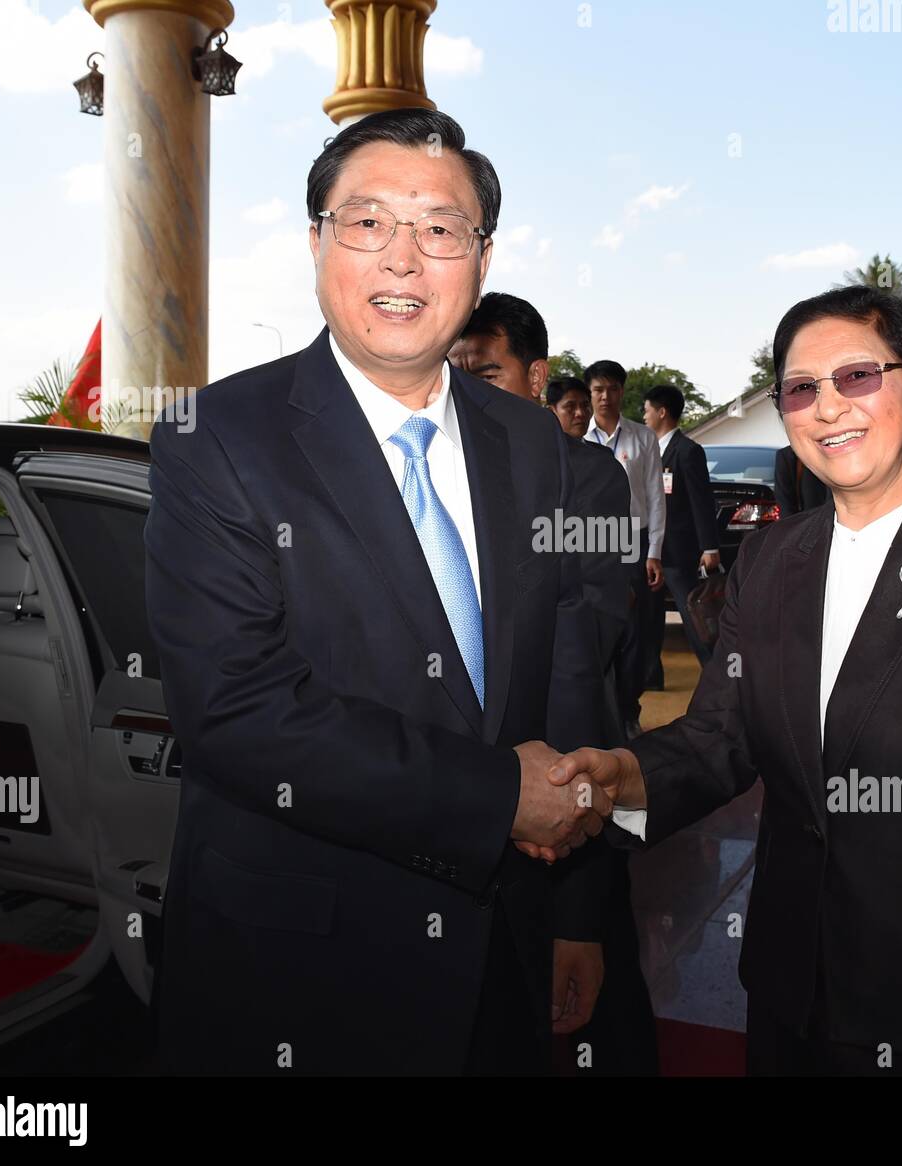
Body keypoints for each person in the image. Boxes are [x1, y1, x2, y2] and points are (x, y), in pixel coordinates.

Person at [550, 286, 902, 1076]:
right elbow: (723, 734)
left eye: (857, 376)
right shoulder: (772, 561)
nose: (827, 407)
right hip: (794, 989)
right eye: (800, 388)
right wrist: (622, 774)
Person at [144, 108, 614, 1076]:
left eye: (440, 228)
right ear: (316, 240)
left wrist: (577, 906)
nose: (404, 257)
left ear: (480, 260)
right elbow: (235, 708)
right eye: (367, 221)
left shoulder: (533, 447)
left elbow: (568, 672)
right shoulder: (218, 436)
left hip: (504, 946)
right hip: (303, 964)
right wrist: (497, 796)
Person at [453, 297, 659, 1073]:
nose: (465, 387)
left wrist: (580, 907)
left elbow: (578, 666)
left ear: (535, 376)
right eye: (456, 371)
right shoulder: (442, 472)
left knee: (591, 1020)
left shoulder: (587, 477)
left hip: (566, 804)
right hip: (464, 818)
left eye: (486, 372)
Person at [584, 360, 665, 738]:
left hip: (633, 539)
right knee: (595, 627)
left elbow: (654, 495)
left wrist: (655, 551)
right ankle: (599, 711)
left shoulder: (642, 438)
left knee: (634, 631)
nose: (604, 396)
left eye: (612, 388)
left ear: (622, 392)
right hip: (589, 539)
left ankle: (629, 710)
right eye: (598, 389)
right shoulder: (576, 435)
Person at [641, 384, 721, 676]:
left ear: (662, 412)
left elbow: (701, 501)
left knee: (694, 617)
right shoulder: (650, 451)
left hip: (678, 552)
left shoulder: (687, 451)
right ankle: (651, 677)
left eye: (647, 410)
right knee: (649, 619)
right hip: (651, 551)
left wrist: (709, 547)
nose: (644, 416)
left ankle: (715, 677)